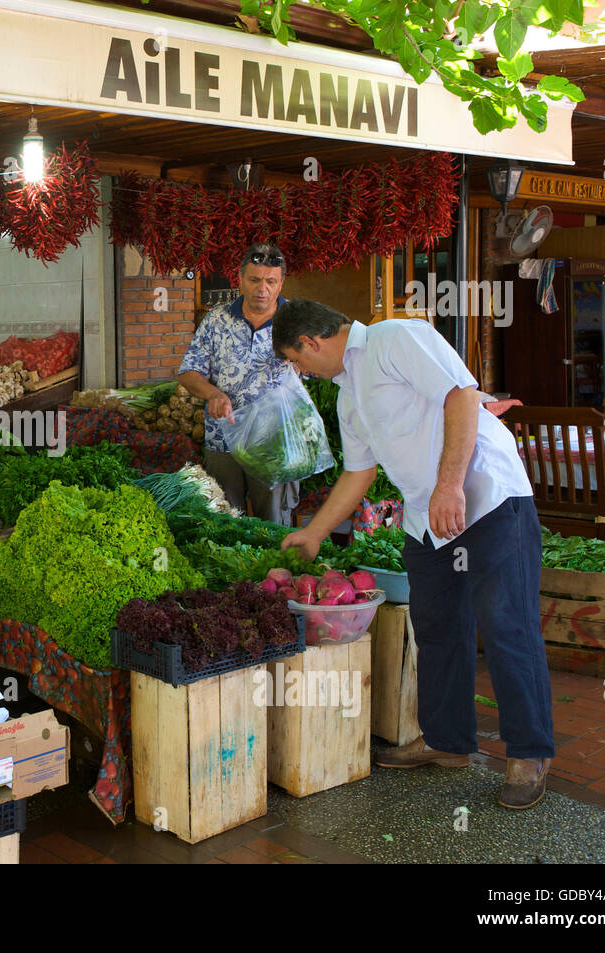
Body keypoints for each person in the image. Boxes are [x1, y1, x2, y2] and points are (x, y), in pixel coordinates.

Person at [272, 299, 556, 810]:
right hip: (429, 519)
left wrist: (451, 485)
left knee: (507, 624)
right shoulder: (347, 397)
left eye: (297, 360)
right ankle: (447, 742)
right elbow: (358, 473)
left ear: (311, 342)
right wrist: (314, 532)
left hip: (487, 497)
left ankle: (529, 753)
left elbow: (463, 396)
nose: (301, 370)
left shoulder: (394, 339)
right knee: (437, 627)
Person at [178, 243, 300, 524]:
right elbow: (189, 371)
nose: (262, 289)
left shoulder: (296, 321)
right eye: (255, 280)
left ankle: (274, 569)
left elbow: (323, 368)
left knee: (273, 522)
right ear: (240, 279)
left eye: (270, 281)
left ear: (281, 283)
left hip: (274, 443)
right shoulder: (217, 320)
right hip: (223, 441)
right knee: (225, 521)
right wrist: (213, 394)